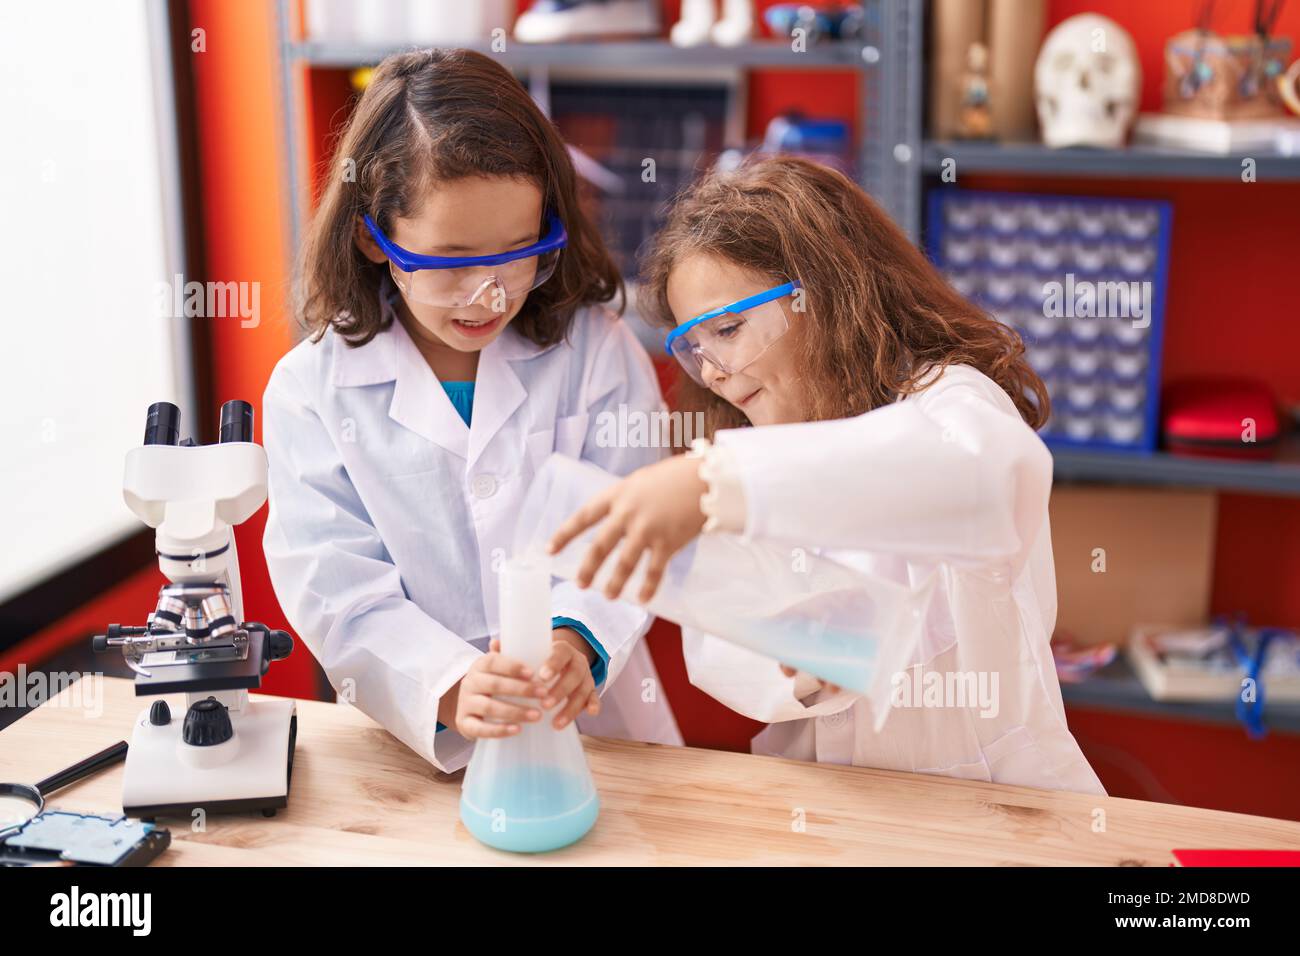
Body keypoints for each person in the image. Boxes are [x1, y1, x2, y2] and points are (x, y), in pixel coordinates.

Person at [548, 155, 1103, 794]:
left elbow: (987, 482)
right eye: (695, 348)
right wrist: (808, 669)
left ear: (824, 291)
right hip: (829, 814)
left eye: (728, 330)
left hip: (999, 805)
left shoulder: (950, 400)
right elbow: (719, 649)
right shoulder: (752, 445)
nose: (716, 372)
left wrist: (716, 484)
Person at [263, 49, 680, 774]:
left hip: (601, 735)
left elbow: (636, 525)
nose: (488, 295)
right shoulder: (313, 389)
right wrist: (448, 681)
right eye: (451, 262)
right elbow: (332, 585)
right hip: (417, 751)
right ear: (373, 237)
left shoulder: (594, 349)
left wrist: (576, 636)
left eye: (519, 253)